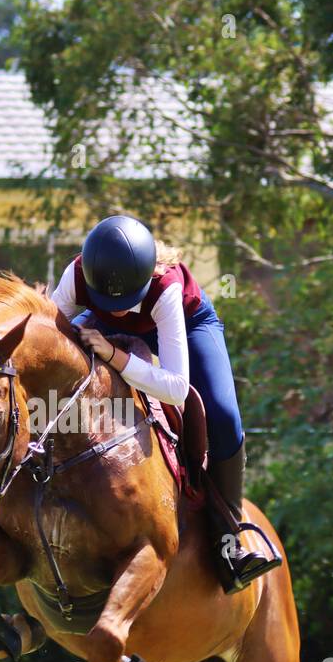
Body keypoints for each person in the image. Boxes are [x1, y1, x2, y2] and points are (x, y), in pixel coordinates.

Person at [50, 214, 282, 593]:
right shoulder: (76, 277)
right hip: (102, 326)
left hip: (188, 324)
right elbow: (46, 330)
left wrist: (112, 353)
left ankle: (231, 540)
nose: (120, 309)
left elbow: (176, 388)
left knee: (223, 416)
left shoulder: (166, 288)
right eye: (111, 301)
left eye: (126, 301)